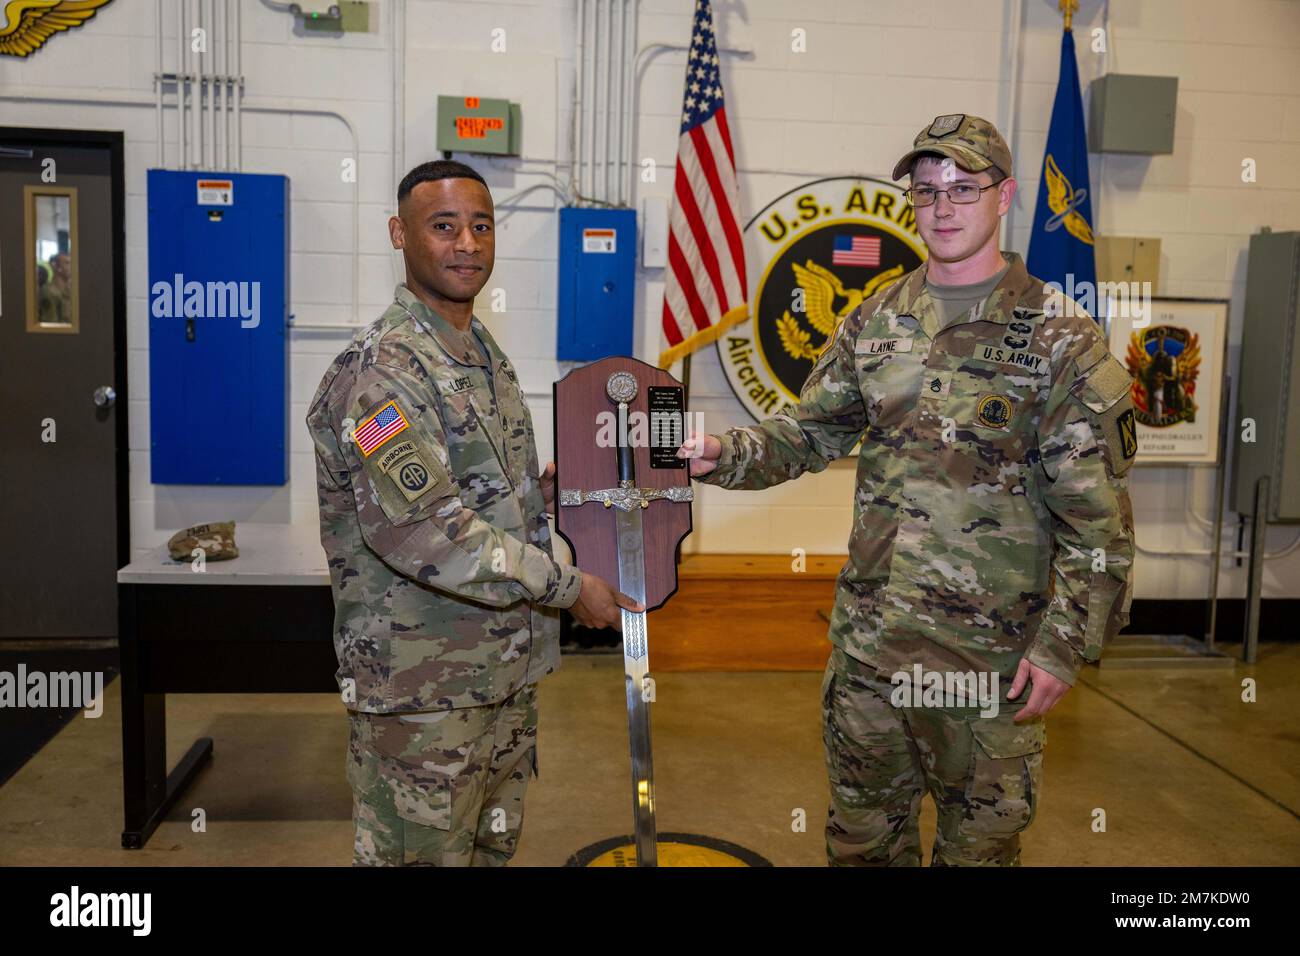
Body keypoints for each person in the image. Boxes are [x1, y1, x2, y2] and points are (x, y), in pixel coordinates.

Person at [678, 114, 1136, 866]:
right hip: (871, 656)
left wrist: (1063, 649)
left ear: (1005, 196)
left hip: (988, 667)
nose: (944, 206)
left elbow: (1100, 522)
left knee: (977, 856)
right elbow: (809, 434)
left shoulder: (1060, 336)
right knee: (860, 850)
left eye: (964, 187)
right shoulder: (875, 318)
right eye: (927, 191)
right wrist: (716, 453)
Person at [307, 160, 639, 866]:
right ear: (400, 234)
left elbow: (467, 496)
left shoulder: (479, 353)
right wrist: (571, 589)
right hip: (423, 698)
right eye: (444, 226)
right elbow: (426, 530)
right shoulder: (383, 373)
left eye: (481, 225)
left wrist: (538, 498)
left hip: (500, 678)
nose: (467, 243)